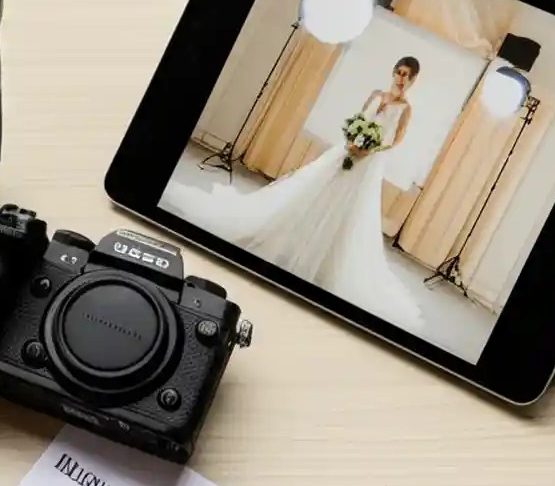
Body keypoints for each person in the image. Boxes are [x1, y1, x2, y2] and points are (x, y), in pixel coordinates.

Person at [163, 56, 425, 330]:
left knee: (346, 207)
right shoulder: (375, 94)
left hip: (366, 164)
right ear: (393, 72)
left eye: (406, 75)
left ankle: (326, 261)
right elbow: (357, 119)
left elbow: (396, 140)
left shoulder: (405, 109)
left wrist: (369, 148)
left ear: (413, 80)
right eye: (399, 72)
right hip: (345, 152)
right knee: (310, 189)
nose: (401, 78)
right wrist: (352, 141)